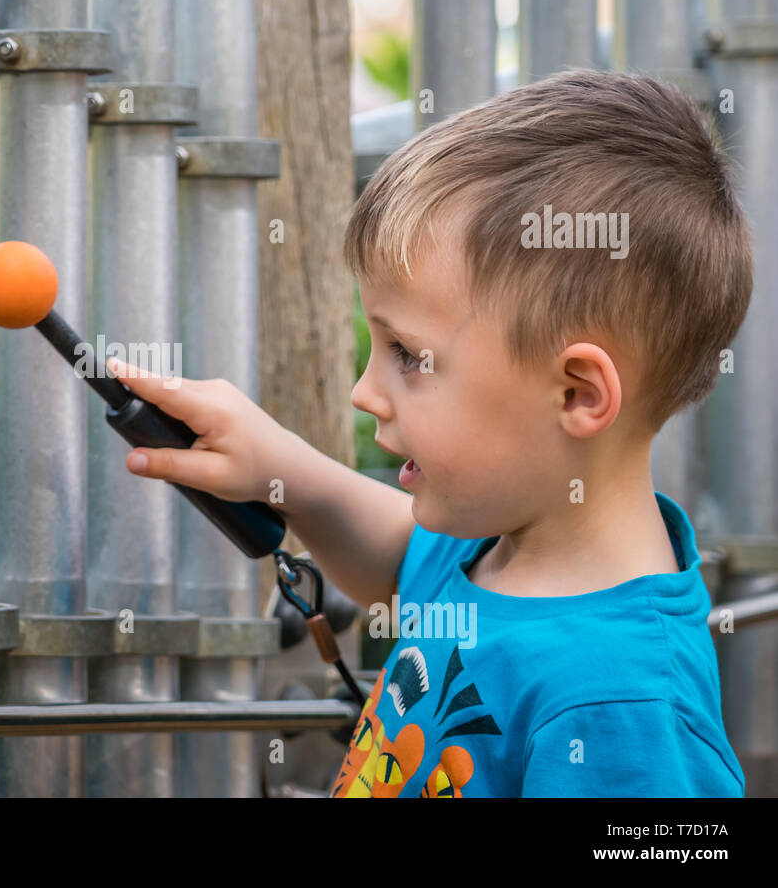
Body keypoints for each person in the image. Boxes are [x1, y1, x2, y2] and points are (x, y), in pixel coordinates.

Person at [106, 69, 750, 797]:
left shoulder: (622, 711)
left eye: (409, 355)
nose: (363, 391)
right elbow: (399, 559)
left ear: (575, 393)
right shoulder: (497, 536)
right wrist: (277, 465)